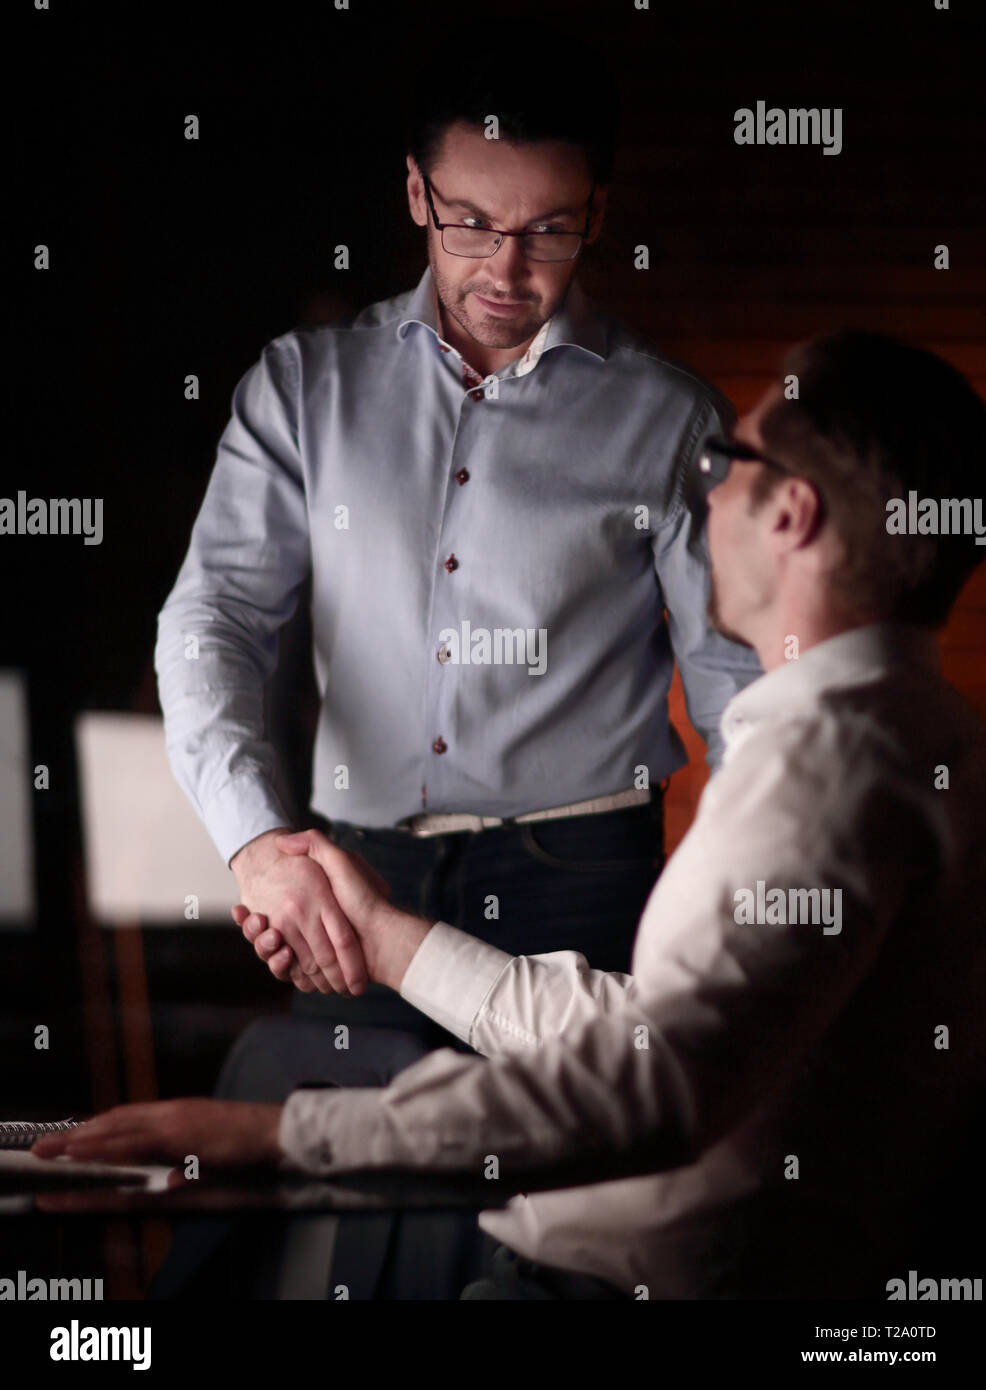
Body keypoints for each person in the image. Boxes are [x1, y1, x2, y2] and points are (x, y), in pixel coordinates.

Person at [42, 330, 986, 1299]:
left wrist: (284, 1133)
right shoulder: (908, 733)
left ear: (790, 513)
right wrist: (387, 936)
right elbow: (659, 1036)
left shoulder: (825, 763)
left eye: (728, 460)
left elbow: (654, 1089)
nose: (705, 493)